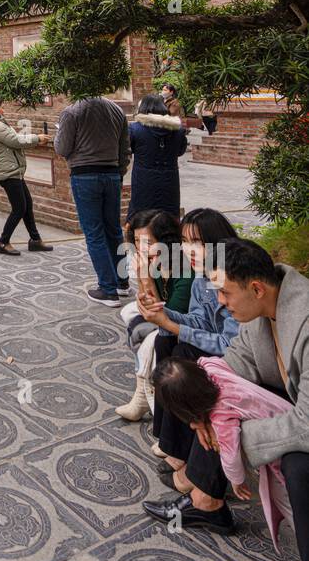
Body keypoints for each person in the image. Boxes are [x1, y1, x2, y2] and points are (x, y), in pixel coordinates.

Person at [143, 238, 309, 561]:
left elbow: (307, 425)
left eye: (224, 293)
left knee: (297, 466)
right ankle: (206, 503)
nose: (219, 303)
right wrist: (206, 417)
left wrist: (230, 439)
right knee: (212, 399)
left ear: (256, 288)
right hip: (291, 409)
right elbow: (229, 371)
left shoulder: (304, 321)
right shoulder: (259, 315)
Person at [154, 356, 294, 553]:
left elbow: (229, 454)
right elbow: (205, 360)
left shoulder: (222, 416)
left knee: (283, 498)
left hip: (286, 440)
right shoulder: (211, 369)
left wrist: (236, 481)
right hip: (285, 412)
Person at [145, 208, 240, 460]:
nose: (188, 250)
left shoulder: (233, 279)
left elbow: (227, 343)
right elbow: (199, 319)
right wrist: (162, 313)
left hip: (239, 359)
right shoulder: (202, 275)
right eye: (185, 242)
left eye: (197, 243)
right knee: (164, 340)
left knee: (179, 351)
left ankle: (173, 447)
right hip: (215, 348)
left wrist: (173, 325)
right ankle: (168, 440)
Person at [115, 210, 194, 421]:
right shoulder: (155, 262)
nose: (142, 248)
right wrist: (144, 278)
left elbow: (170, 314)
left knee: (151, 338)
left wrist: (146, 277)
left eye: (149, 242)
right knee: (132, 315)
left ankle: (144, 395)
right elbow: (145, 301)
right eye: (138, 241)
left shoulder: (185, 268)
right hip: (164, 315)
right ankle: (141, 394)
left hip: (185, 324)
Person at [54, 94, 130, 306]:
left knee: (94, 233)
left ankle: (107, 289)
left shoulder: (72, 111)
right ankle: (122, 283)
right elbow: (125, 147)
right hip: (112, 173)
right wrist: (119, 171)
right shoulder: (116, 109)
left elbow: (62, 148)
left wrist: (58, 130)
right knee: (114, 229)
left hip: (85, 174)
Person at [0, 94, 52, 255]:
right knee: (19, 207)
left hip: (12, 170)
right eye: (0, 107)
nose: (3, 109)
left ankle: (35, 240)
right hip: (7, 171)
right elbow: (15, 141)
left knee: (27, 205)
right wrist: (37, 138)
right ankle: (3, 242)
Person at [126, 93, 187, 220]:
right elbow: (180, 151)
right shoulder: (178, 130)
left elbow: (128, 149)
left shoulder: (135, 129)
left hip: (143, 181)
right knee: (168, 217)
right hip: (170, 180)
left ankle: (143, 240)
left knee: (143, 219)